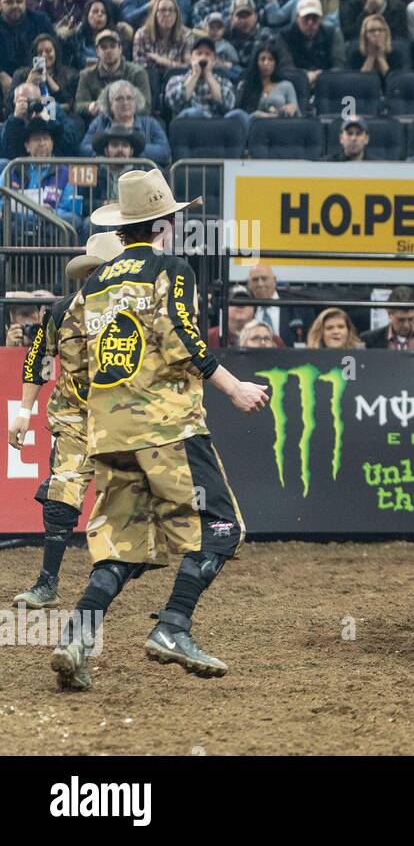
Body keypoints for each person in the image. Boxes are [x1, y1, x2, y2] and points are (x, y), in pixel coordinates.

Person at [51, 168, 270, 689]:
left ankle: (76, 638)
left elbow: (73, 359)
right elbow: (181, 338)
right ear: (164, 222)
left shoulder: (93, 284)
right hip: (167, 428)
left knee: (126, 544)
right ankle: (173, 625)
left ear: (124, 227)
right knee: (222, 529)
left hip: (110, 433)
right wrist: (235, 387)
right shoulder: (171, 269)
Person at [8, 233, 125, 610]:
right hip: (75, 417)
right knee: (62, 495)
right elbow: (38, 360)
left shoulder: (137, 313)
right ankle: (47, 583)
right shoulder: (60, 311)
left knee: (132, 501)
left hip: (126, 418)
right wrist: (24, 412)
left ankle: (111, 577)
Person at [9, 119, 84, 235]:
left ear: (52, 143)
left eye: (45, 138)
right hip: (19, 223)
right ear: (27, 146)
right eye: (36, 139)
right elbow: (1, 200)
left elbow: (71, 208)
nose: (42, 143)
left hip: (51, 224)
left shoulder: (65, 172)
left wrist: (52, 212)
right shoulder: (15, 168)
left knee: (72, 220)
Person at [76, 80, 170, 163]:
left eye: (129, 98)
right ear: (109, 103)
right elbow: (84, 149)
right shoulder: (100, 122)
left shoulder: (150, 124)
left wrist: (133, 150)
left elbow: (164, 152)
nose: (125, 103)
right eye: (119, 99)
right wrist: (108, 152)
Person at [74, 29, 152, 121]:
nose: (108, 51)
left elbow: (146, 107)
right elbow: (78, 105)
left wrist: (122, 109)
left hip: (132, 121)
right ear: (97, 52)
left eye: (113, 46)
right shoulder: (87, 75)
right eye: (104, 47)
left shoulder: (137, 72)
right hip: (100, 122)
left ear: (120, 49)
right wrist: (90, 106)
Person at [165, 36, 243, 124]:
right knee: (194, 113)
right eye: (199, 53)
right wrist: (195, 75)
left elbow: (228, 105)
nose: (203, 57)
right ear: (191, 58)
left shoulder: (223, 81)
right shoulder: (176, 79)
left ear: (214, 60)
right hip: (188, 128)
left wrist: (209, 76)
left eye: (207, 54)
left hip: (216, 127)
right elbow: (174, 102)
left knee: (239, 115)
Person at [273, 0, 344, 89]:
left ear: (321, 19)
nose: (310, 22)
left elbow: (339, 66)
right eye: (306, 18)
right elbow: (286, 67)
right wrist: (305, 75)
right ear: (297, 17)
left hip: (328, 85)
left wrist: (320, 76)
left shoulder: (333, 33)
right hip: (294, 86)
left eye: (314, 18)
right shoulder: (284, 36)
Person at [133, 0, 190, 100]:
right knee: (149, 73)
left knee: (175, 74)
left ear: (177, 14)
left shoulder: (186, 35)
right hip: (149, 83)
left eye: (171, 10)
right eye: (163, 10)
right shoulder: (141, 34)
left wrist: (163, 61)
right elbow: (139, 66)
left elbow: (188, 67)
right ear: (155, 14)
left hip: (176, 81)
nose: (167, 14)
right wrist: (174, 64)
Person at [3, 81, 82, 159]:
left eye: (31, 101)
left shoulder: (53, 110)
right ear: (14, 103)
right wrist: (15, 121)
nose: (28, 105)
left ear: (41, 99)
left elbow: (72, 140)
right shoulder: (13, 120)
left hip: (55, 162)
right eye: (22, 102)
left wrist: (50, 121)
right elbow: (6, 151)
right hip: (23, 166)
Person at [0, 0, 55, 96]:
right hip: (5, 76)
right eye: (9, 2)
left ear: (25, 3)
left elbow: (55, 49)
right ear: (0, 5)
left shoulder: (40, 20)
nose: (15, 5)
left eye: (19, 1)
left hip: (38, 72)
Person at [12, 34, 78, 110]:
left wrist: (49, 79)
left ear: (55, 52)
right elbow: (10, 104)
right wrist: (27, 84)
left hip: (58, 117)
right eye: (40, 52)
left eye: (48, 51)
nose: (44, 55)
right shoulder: (20, 75)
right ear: (34, 55)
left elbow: (70, 104)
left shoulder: (71, 74)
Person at [235, 46, 300, 119]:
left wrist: (290, 109)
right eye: (262, 59)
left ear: (275, 63)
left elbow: (297, 114)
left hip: (280, 126)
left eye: (270, 59)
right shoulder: (247, 85)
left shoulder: (286, 85)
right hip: (254, 126)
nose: (266, 63)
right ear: (256, 63)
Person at [362, 285, 414, 350]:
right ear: (389, 314)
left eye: (410, 319)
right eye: (400, 320)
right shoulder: (369, 340)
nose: (406, 325)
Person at [347, 12, 406, 79]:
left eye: (380, 30)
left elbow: (392, 81)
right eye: (372, 30)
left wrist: (379, 56)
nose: (377, 34)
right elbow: (360, 81)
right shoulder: (356, 55)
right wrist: (371, 55)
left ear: (386, 34)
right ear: (365, 35)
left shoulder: (395, 55)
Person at [341, 0, 408, 41]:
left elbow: (402, 37)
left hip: (391, 47)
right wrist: (366, 12)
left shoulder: (399, 7)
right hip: (362, 47)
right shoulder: (352, 5)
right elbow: (348, 35)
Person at [123, 0, 192, 31]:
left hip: (171, 36)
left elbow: (181, 22)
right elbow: (126, 18)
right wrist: (148, 6)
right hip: (140, 34)